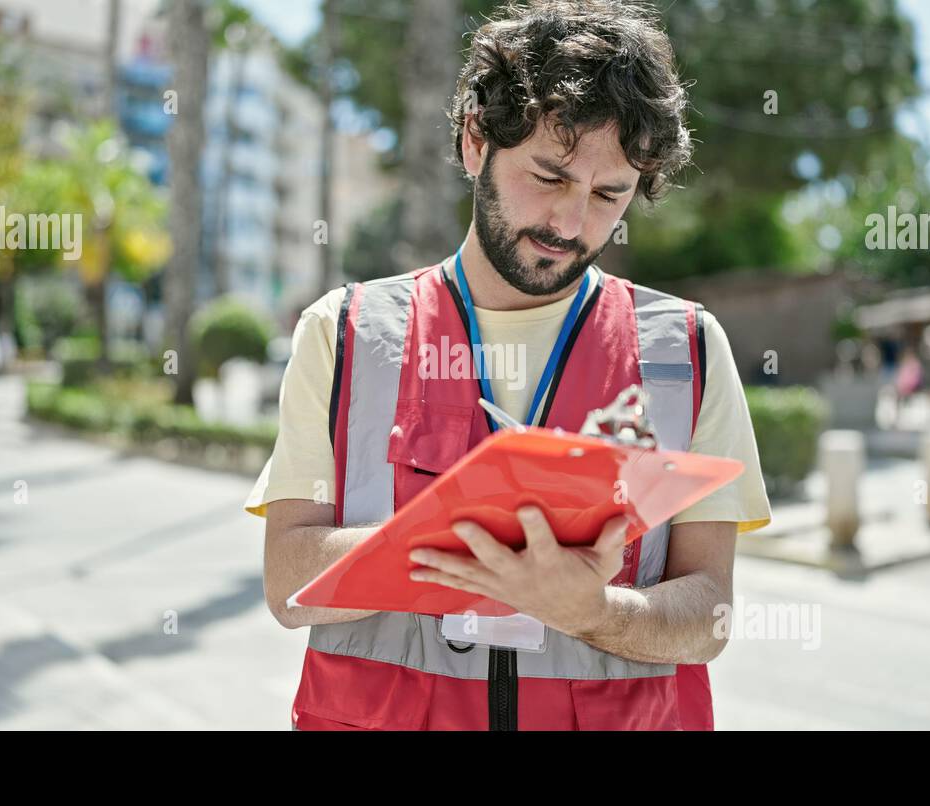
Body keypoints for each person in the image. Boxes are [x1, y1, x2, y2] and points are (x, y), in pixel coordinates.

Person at [244, 0, 771, 731]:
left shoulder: (686, 349)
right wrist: (462, 546)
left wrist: (594, 610)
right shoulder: (344, 333)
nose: (571, 222)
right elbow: (288, 585)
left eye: (608, 194)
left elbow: (708, 612)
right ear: (473, 141)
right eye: (550, 176)